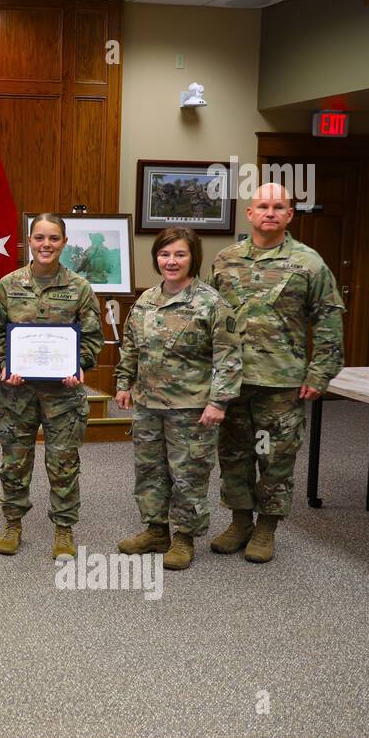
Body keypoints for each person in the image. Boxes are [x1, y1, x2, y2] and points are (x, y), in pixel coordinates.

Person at [209, 182, 345, 562]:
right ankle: (239, 521)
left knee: (275, 456)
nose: (270, 212)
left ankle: (267, 526)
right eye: (262, 206)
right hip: (233, 380)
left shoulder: (309, 263)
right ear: (250, 214)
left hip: (281, 382)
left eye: (278, 206)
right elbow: (210, 318)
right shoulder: (225, 260)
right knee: (234, 454)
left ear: (289, 215)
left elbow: (329, 319)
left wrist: (320, 374)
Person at [115, 228, 241, 570]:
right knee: (150, 471)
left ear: (193, 258)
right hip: (147, 404)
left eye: (179, 255)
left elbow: (228, 358)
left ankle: (185, 537)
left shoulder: (211, 303)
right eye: (165, 254)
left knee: (188, 473)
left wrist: (219, 402)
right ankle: (156, 531)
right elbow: (131, 347)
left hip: (192, 407)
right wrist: (124, 382)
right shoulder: (145, 300)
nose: (171, 261)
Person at [0, 213, 103, 559]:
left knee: (63, 463)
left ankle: (63, 530)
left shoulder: (79, 288)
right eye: (39, 238)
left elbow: (93, 338)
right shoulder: (8, 285)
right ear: (29, 242)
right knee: (14, 461)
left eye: (53, 238)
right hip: (16, 393)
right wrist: (4, 364)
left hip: (63, 395)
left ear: (64, 242)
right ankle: (13, 523)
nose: (46, 245)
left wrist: (79, 365)